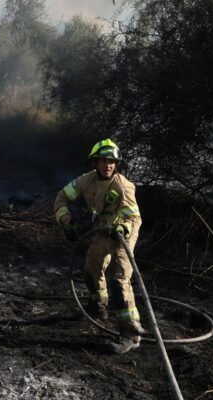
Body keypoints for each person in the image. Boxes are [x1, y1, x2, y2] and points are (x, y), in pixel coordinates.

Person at [54, 138, 147, 349]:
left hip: (123, 234)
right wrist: (67, 222)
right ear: (95, 162)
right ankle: (98, 307)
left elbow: (132, 216)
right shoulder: (86, 181)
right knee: (91, 269)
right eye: (104, 160)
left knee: (119, 280)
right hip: (102, 231)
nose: (109, 165)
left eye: (112, 161)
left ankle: (131, 335)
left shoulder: (122, 185)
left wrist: (123, 228)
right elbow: (61, 198)